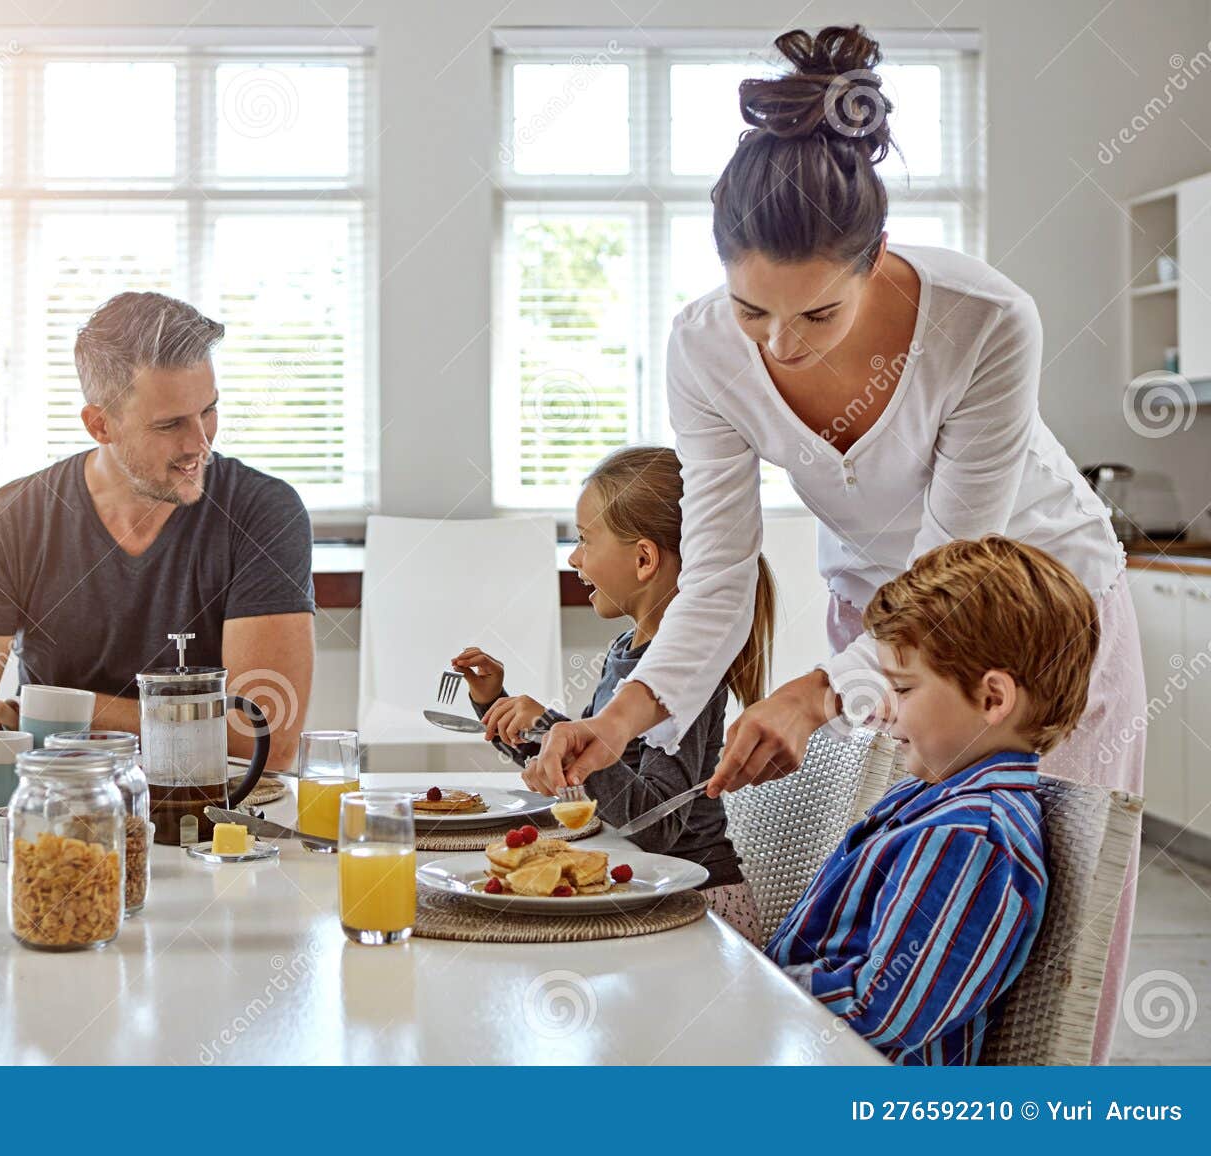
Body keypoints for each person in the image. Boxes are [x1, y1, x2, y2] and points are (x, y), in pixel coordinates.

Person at [529, 25, 1144, 1062]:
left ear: (877, 261)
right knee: (894, 872)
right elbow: (718, 572)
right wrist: (629, 716)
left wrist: (817, 692)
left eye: (816, 310)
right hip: (878, 613)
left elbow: (956, 571)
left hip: (1036, 612)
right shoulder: (700, 351)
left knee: (1040, 917)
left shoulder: (982, 322)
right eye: (749, 308)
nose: (779, 343)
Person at [0, 291, 316, 785]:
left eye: (208, 411)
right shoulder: (12, 520)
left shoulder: (263, 512)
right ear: (99, 424)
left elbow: (266, 742)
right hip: (59, 807)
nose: (200, 445)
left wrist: (57, 714)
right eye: (170, 424)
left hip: (211, 820)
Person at [768, 536, 1098, 1064]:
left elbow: (884, 1011)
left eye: (902, 689)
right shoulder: (934, 800)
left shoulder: (967, 837)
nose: (881, 710)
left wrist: (758, 990)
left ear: (992, 699)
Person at [451, 446, 772, 942]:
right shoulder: (628, 649)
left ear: (644, 558)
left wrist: (552, 723)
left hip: (696, 907)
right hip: (644, 889)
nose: (574, 558)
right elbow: (583, 774)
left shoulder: (683, 677)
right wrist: (499, 704)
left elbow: (653, 822)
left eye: (584, 540)